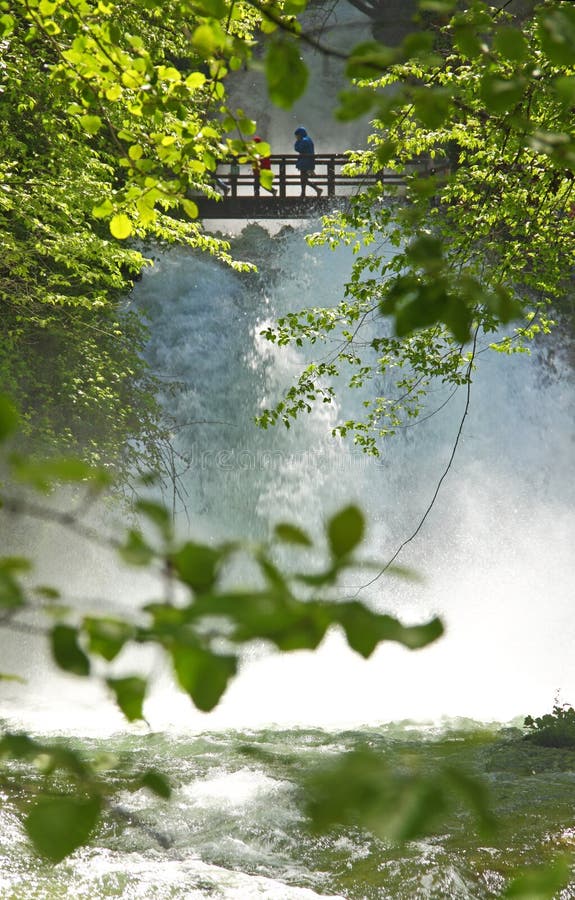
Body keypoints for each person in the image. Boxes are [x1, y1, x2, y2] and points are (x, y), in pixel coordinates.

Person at [294, 126, 322, 197]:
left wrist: (297, 142)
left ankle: (313, 190)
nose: (296, 137)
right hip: (308, 161)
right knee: (304, 178)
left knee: (303, 178)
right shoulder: (308, 139)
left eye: (297, 136)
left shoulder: (304, 140)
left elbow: (298, 149)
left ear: (300, 134)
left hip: (305, 162)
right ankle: (307, 192)